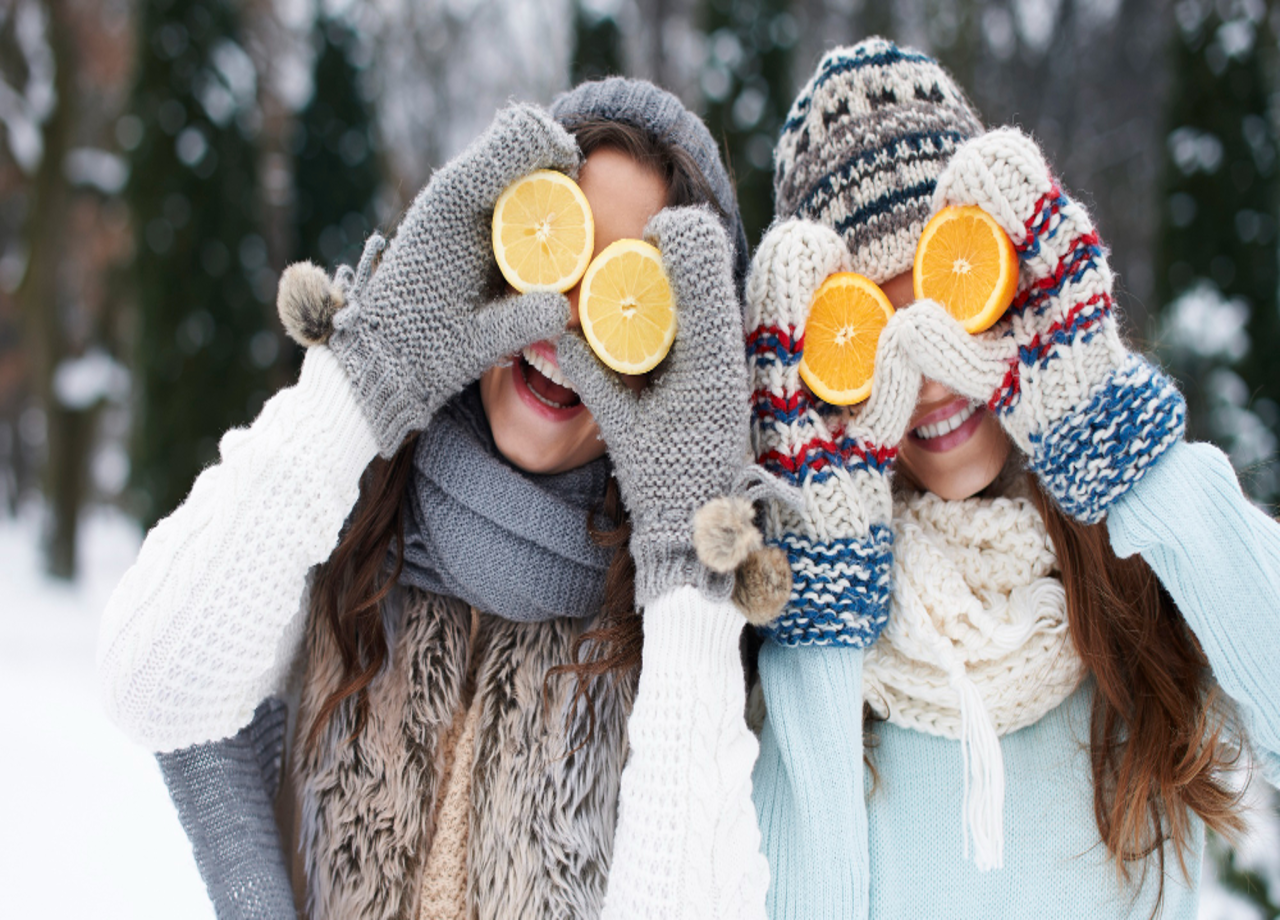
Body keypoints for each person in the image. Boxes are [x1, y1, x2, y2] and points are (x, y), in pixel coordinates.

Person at [97, 78, 769, 920]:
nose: (562, 328)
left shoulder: (685, 633)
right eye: (550, 248)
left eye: (624, 298)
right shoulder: (345, 504)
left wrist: (685, 562)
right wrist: (368, 374)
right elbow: (150, 686)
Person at [742, 38, 1280, 919]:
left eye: (952, 297)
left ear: (1016, 287)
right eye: (875, 329)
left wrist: (1115, 442)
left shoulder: (1145, 571)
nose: (931, 368)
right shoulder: (805, 642)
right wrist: (823, 589)